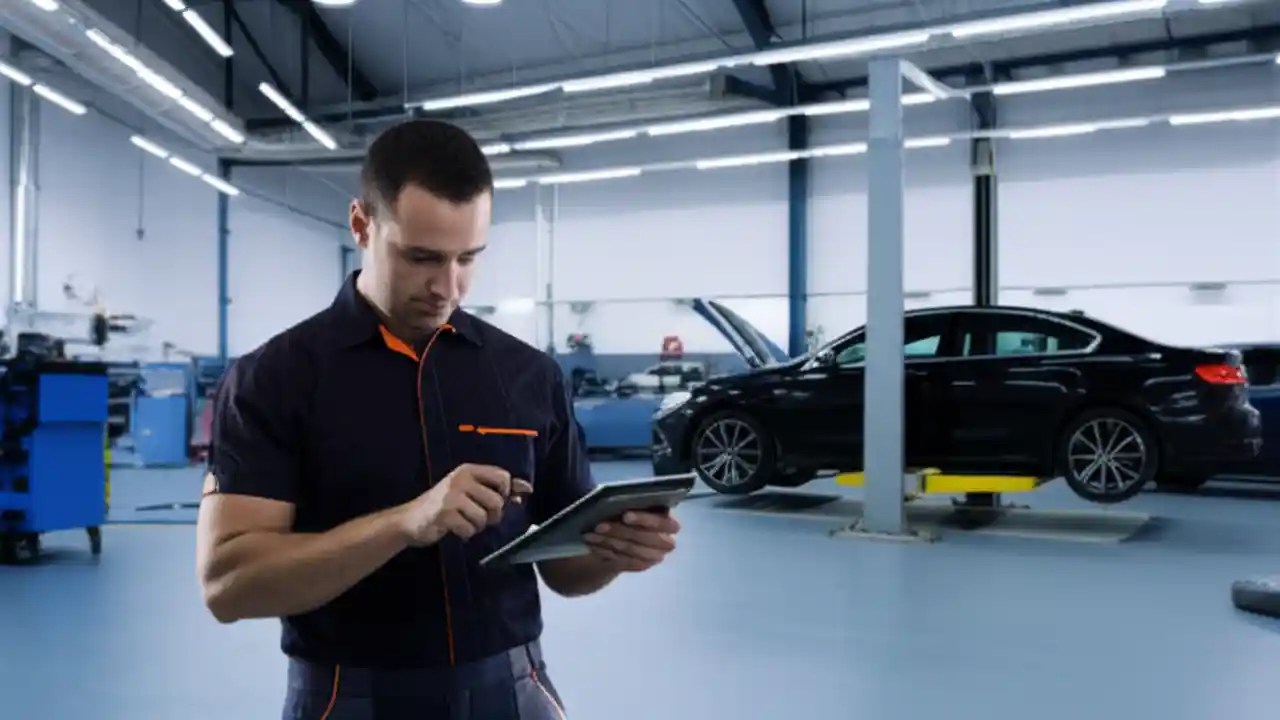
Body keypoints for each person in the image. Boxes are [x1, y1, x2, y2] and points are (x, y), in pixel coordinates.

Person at [195, 119, 681, 719]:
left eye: (467, 258)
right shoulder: (274, 379)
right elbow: (229, 586)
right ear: (361, 225)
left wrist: (614, 550)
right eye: (421, 257)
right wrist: (405, 522)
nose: (448, 287)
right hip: (350, 694)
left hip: (513, 684)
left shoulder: (528, 375)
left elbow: (564, 571)